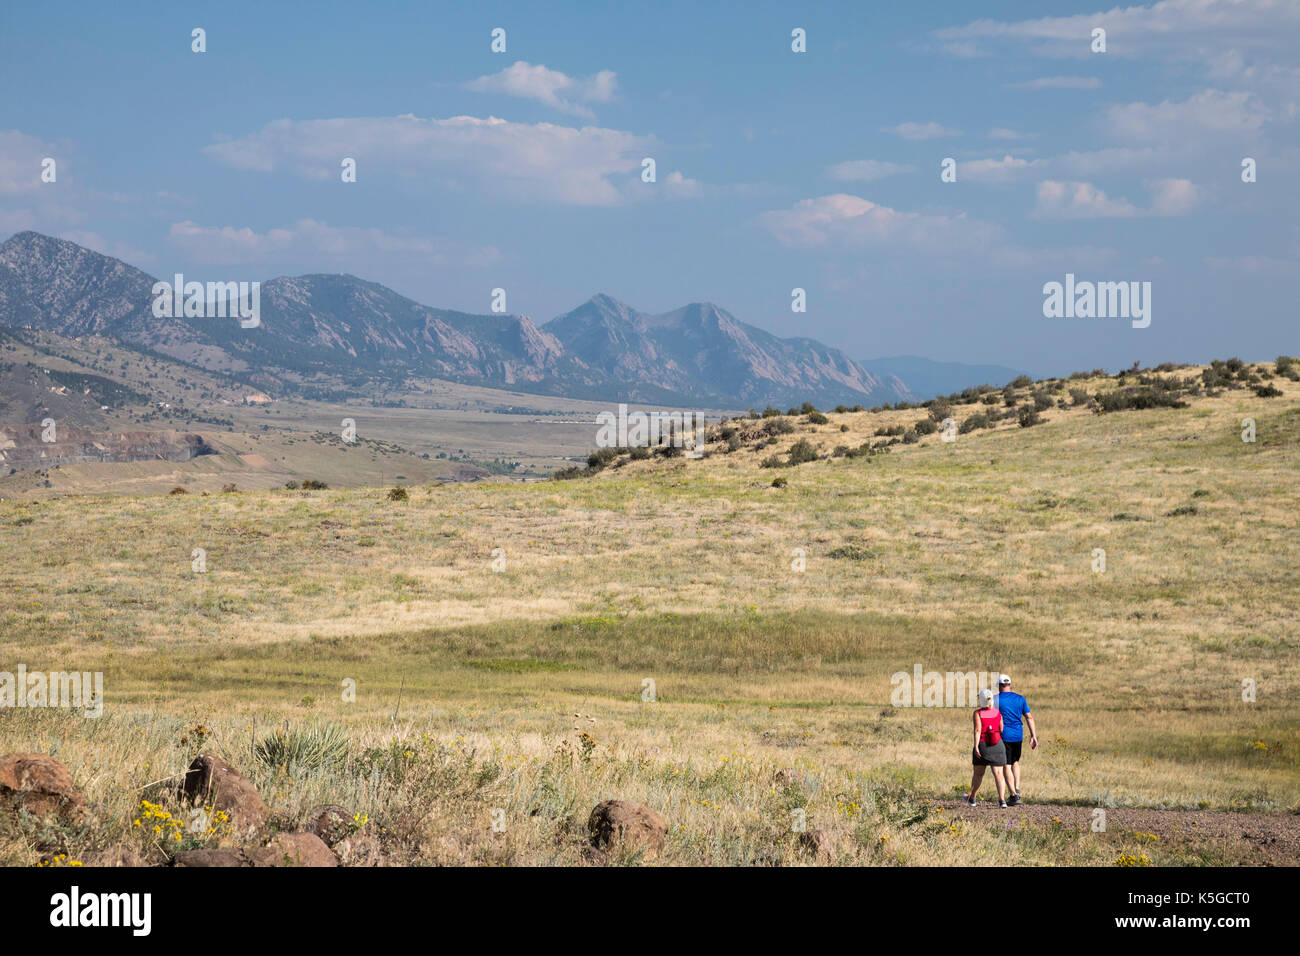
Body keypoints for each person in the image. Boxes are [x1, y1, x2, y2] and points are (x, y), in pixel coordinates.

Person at [995, 674, 1037, 806]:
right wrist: (1033, 735)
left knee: (1006, 764)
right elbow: (1029, 717)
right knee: (1015, 762)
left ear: (998, 685)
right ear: (1010, 684)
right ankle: (1017, 788)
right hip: (1018, 735)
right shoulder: (1020, 698)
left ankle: (1013, 795)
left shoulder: (995, 700)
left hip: (1004, 735)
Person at [964, 688, 1009, 808]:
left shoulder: (977, 713)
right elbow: (1001, 729)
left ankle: (972, 798)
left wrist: (976, 746)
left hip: (983, 744)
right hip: (997, 744)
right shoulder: (997, 713)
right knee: (999, 773)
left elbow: (978, 730)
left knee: (978, 774)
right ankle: (1002, 801)